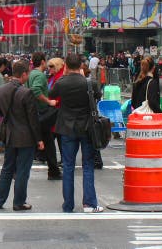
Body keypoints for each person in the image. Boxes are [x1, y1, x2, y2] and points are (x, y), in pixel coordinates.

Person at [50, 53, 104, 213]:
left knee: (68, 166)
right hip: (87, 127)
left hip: (67, 127)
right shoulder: (89, 83)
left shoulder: (61, 83)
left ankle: (68, 205)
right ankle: (89, 203)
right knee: (87, 165)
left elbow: (51, 94)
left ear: (66, 65)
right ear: (81, 65)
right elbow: (98, 97)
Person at [0, 60, 43, 211]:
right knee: (22, 170)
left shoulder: (1, 90)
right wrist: (39, 139)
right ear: (23, 74)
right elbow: (33, 120)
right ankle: (19, 202)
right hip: (25, 136)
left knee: (7, 168)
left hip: (9, 134)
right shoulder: (26, 93)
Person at [28, 52, 61, 180]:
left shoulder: (31, 74)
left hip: (36, 112)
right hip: (41, 112)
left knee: (46, 142)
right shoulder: (40, 76)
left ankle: (53, 171)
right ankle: (53, 171)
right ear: (42, 61)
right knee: (45, 142)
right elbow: (35, 90)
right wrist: (48, 101)